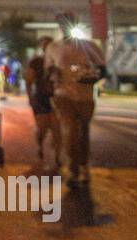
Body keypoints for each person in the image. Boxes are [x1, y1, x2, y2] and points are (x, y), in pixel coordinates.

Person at [46, 15, 107, 189]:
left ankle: (84, 165)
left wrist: (91, 79)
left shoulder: (89, 46)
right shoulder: (54, 47)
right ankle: (73, 169)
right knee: (70, 131)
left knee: (83, 132)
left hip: (85, 96)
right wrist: (53, 73)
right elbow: (48, 69)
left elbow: (102, 68)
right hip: (63, 95)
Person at [24, 36, 59, 168]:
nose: (47, 47)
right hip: (41, 98)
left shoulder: (58, 61)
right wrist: (30, 98)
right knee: (43, 127)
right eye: (44, 45)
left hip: (56, 98)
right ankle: (40, 145)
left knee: (56, 128)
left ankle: (57, 157)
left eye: (50, 44)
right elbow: (28, 81)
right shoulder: (36, 62)